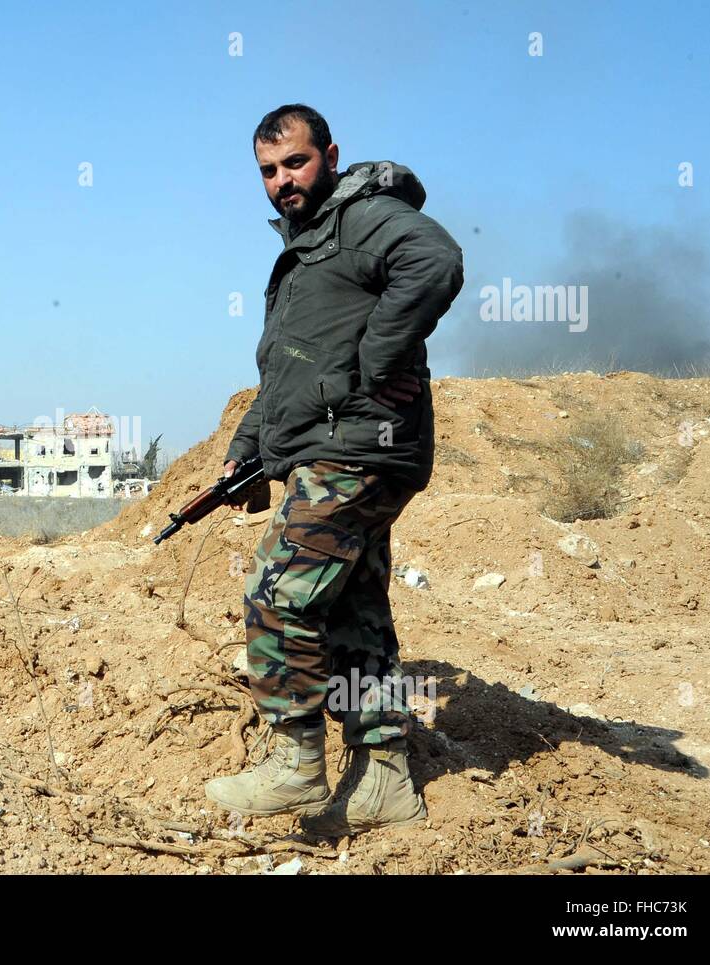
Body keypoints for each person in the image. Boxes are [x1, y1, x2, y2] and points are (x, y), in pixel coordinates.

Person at [203, 104, 464, 836]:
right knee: (354, 612)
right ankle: (384, 779)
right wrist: (249, 445)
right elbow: (289, 370)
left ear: (330, 154)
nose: (282, 181)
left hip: (358, 449)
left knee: (277, 595)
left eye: (295, 163)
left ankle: (295, 762)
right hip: (336, 446)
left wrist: (378, 362)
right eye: (268, 171)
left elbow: (437, 260)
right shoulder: (311, 246)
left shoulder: (362, 217)